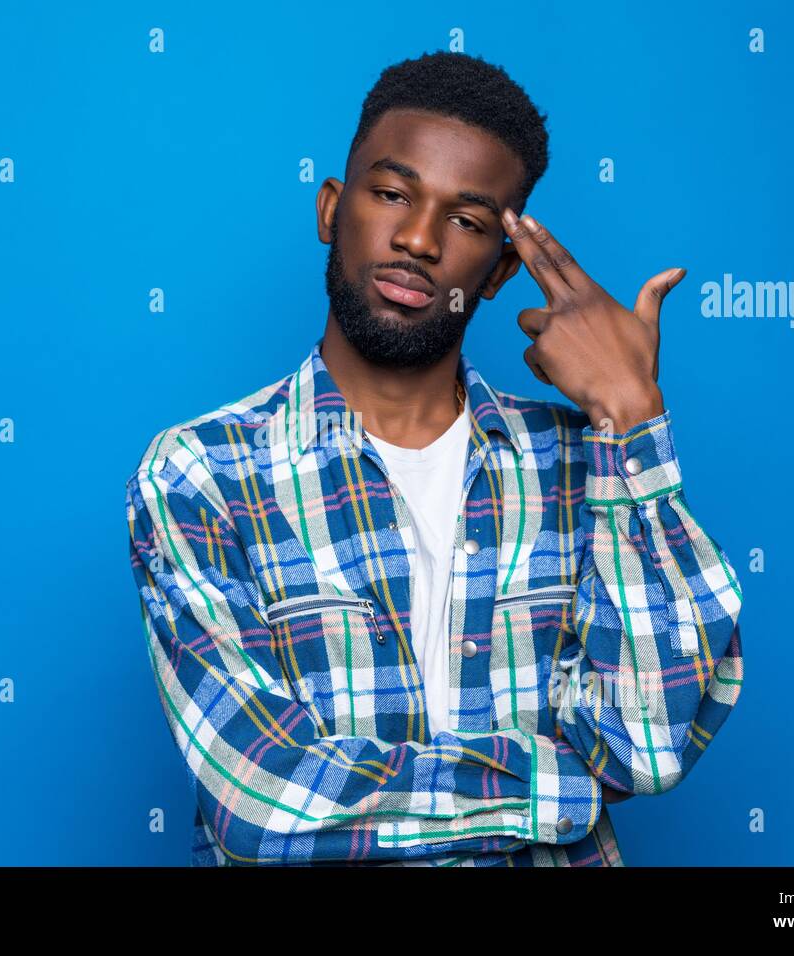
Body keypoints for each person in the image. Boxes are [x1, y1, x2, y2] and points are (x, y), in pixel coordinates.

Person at [125, 51, 743, 866]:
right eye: (391, 194)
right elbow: (264, 801)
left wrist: (630, 416)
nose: (417, 240)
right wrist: (565, 787)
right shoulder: (201, 475)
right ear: (330, 210)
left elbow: (650, 742)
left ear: (500, 273)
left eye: (467, 220)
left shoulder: (581, 462)